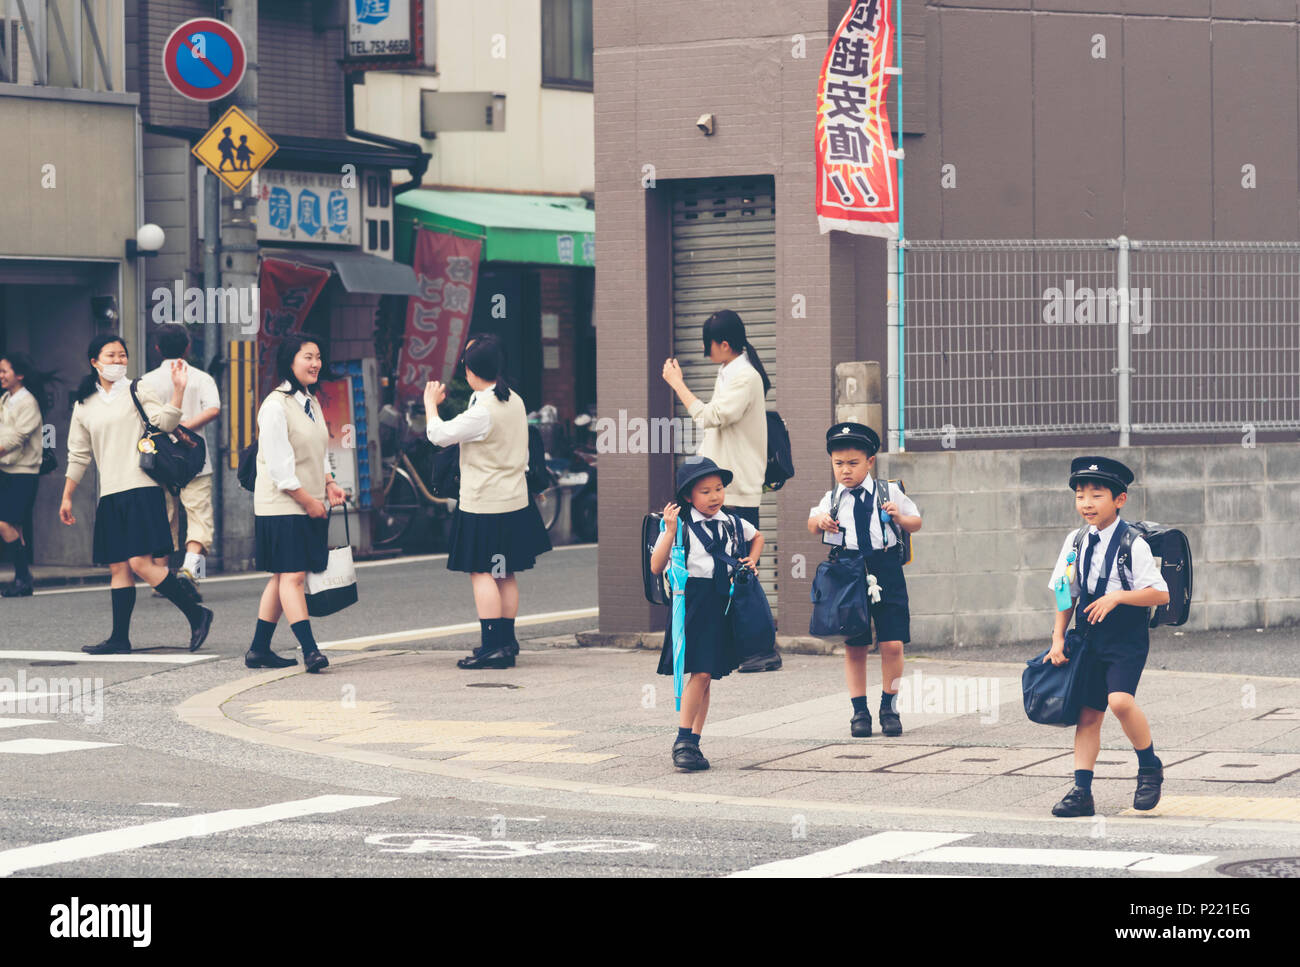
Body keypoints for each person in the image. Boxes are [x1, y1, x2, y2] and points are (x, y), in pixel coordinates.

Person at [60, 335, 214, 654]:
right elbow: (78, 454)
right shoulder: (83, 404)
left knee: (141, 563)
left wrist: (179, 391)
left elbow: (165, 422)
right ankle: (120, 638)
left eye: (122, 356)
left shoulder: (137, 389)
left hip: (142, 487)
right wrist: (67, 496)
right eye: (111, 355)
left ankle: (197, 614)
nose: (118, 361)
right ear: (94, 361)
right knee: (119, 567)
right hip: (111, 493)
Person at [1045, 457, 1170, 817]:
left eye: (1096, 495)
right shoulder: (1076, 539)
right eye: (1080, 495)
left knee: (1119, 702)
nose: (1086, 503)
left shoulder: (1134, 543)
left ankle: (1148, 766)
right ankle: (1081, 792)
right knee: (1088, 715)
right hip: (1087, 636)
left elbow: (1160, 594)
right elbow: (1063, 591)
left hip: (1125, 638)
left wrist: (1118, 596)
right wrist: (1058, 638)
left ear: (1120, 500)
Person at [662, 309, 779, 673]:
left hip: (735, 489)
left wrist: (677, 384)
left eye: (707, 343)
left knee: (742, 571)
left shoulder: (744, 377)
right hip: (722, 487)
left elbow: (710, 416)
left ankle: (762, 647)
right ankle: (743, 646)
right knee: (728, 573)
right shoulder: (731, 371)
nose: (703, 349)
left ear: (724, 344)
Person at [424, 334, 552, 670]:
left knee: (482, 572)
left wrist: (430, 404)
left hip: (484, 504)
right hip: (513, 501)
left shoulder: (483, 409)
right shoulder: (515, 400)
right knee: (505, 572)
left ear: (470, 370)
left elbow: (439, 435)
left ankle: (492, 647)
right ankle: (506, 643)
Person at [808, 423, 922, 738]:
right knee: (854, 645)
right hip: (847, 570)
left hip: (885, 567)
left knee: (893, 642)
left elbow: (916, 521)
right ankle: (859, 711)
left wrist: (899, 517)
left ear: (870, 461)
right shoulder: (832, 497)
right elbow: (812, 524)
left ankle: (890, 706)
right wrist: (820, 522)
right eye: (838, 464)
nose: (845, 470)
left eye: (853, 463)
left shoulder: (889, 491)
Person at [650, 455, 763, 771]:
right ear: (688, 496)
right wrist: (670, 531)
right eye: (705, 491)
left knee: (708, 675)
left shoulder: (730, 521)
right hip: (692, 603)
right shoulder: (680, 525)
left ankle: (694, 743)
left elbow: (758, 537)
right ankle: (682, 741)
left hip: (721, 602)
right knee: (699, 672)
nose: (715, 497)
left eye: (718, 489)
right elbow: (656, 565)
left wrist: (750, 561)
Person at [247, 334, 348, 672]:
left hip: (307, 501)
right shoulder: (275, 405)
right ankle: (310, 651)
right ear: (290, 361)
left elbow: (317, 452)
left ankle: (259, 649)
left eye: (318, 356)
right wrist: (307, 500)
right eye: (307, 357)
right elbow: (278, 466)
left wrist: (329, 483)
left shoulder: (310, 401)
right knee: (292, 576)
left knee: (282, 577)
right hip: (281, 505)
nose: (315, 363)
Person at [145, 323, 220, 600]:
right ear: (188, 347)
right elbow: (213, 408)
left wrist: (169, 428)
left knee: (164, 518)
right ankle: (192, 575)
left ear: (156, 349)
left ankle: (160, 580)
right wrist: (185, 427)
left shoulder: (147, 380)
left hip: (159, 459)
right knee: (200, 518)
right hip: (195, 460)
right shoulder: (200, 377)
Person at [0, 353, 47, 597]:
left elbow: (17, 437)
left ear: (19, 374)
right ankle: (22, 579)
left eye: (4, 371)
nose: (1, 376)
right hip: (6, 469)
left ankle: (23, 576)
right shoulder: (7, 399)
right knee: (14, 526)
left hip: (24, 472)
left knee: (5, 523)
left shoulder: (28, 402)